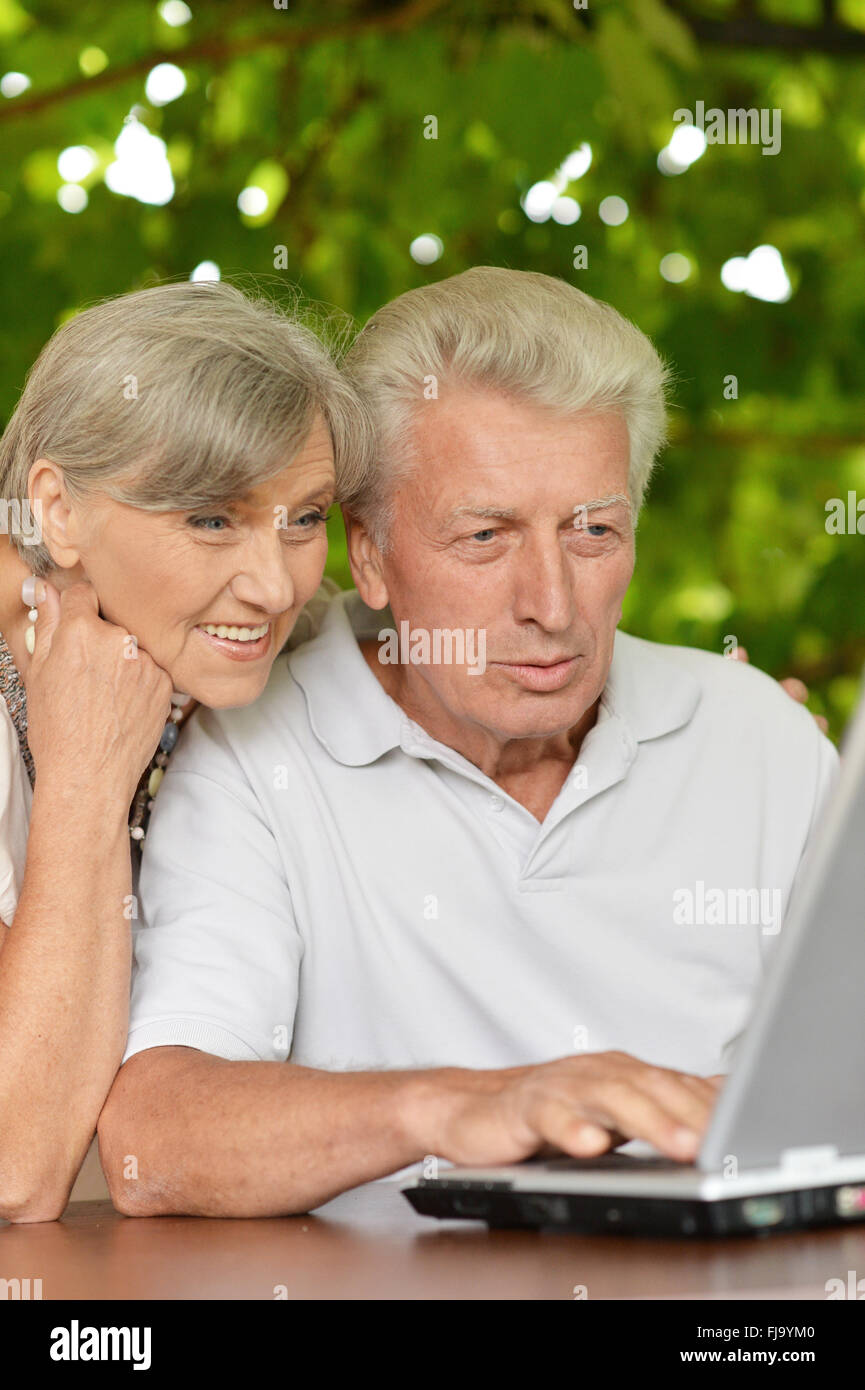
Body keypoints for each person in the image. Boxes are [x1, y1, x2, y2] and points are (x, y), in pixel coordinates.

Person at [97, 267, 841, 1220]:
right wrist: (456, 1104)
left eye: (594, 531)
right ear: (367, 554)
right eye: (485, 535)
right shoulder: (256, 752)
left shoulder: (756, 737)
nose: (552, 605)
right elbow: (154, 1140)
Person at [0, 278, 371, 1222]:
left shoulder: (263, 649)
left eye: (303, 517)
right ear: (59, 512)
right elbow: (13, 1170)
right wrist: (84, 777)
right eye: (212, 518)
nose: (274, 584)